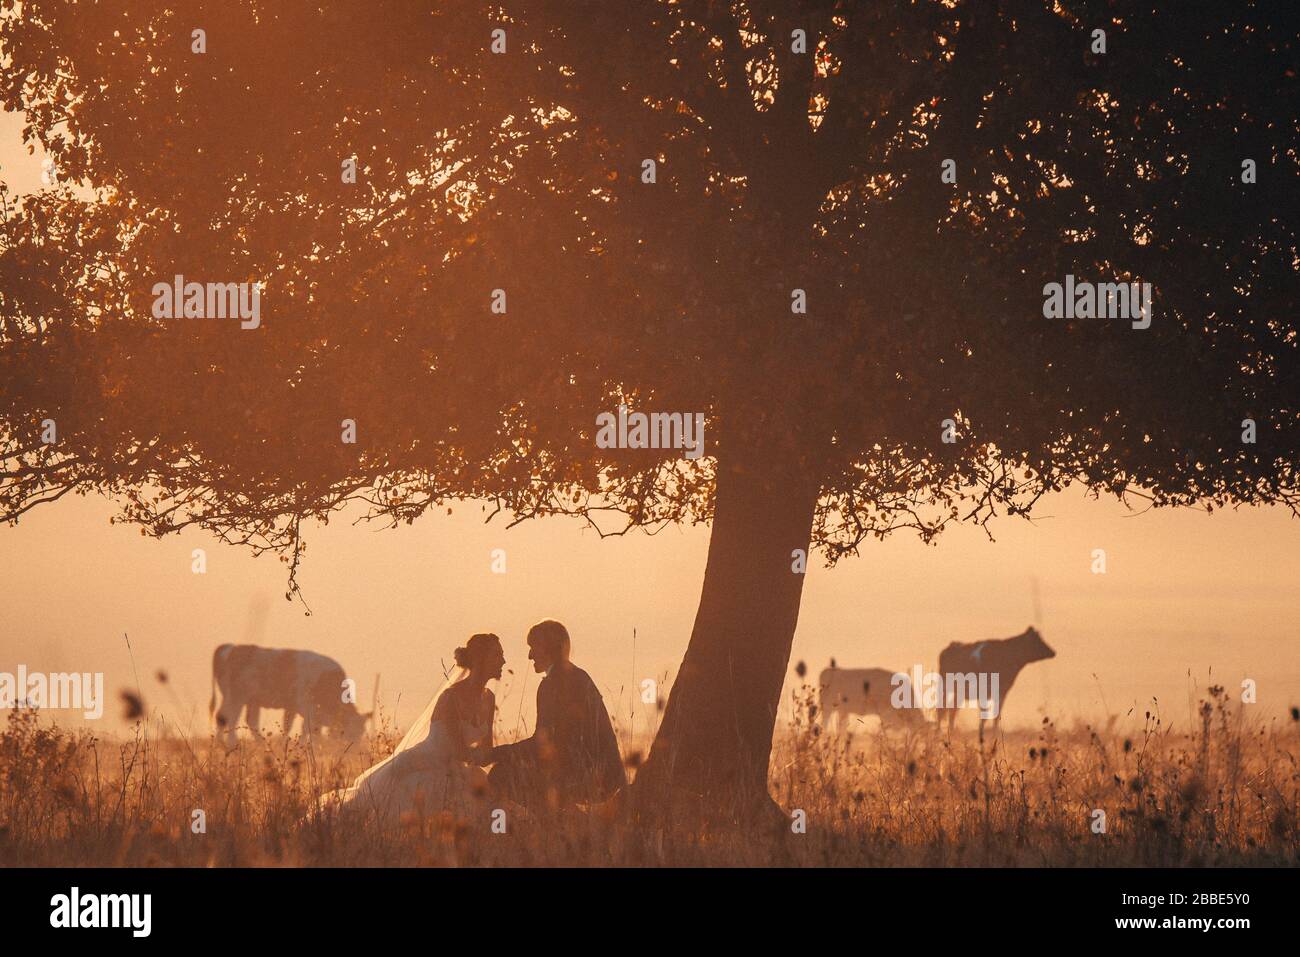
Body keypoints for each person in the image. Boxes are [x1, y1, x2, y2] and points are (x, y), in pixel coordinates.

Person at [319, 633, 504, 822]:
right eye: (497, 656)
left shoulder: (489, 698)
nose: (503, 661)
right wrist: (488, 756)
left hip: (457, 767)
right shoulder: (451, 698)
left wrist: (504, 756)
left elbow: (485, 748)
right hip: (428, 764)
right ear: (480, 659)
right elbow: (458, 750)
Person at [488, 619, 624, 809]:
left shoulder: (552, 684)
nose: (529, 656)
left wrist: (494, 754)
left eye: (533, 647)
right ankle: (561, 820)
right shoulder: (579, 676)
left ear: (548, 648)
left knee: (500, 775)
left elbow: (541, 744)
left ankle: (553, 823)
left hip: (587, 777)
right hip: (607, 775)